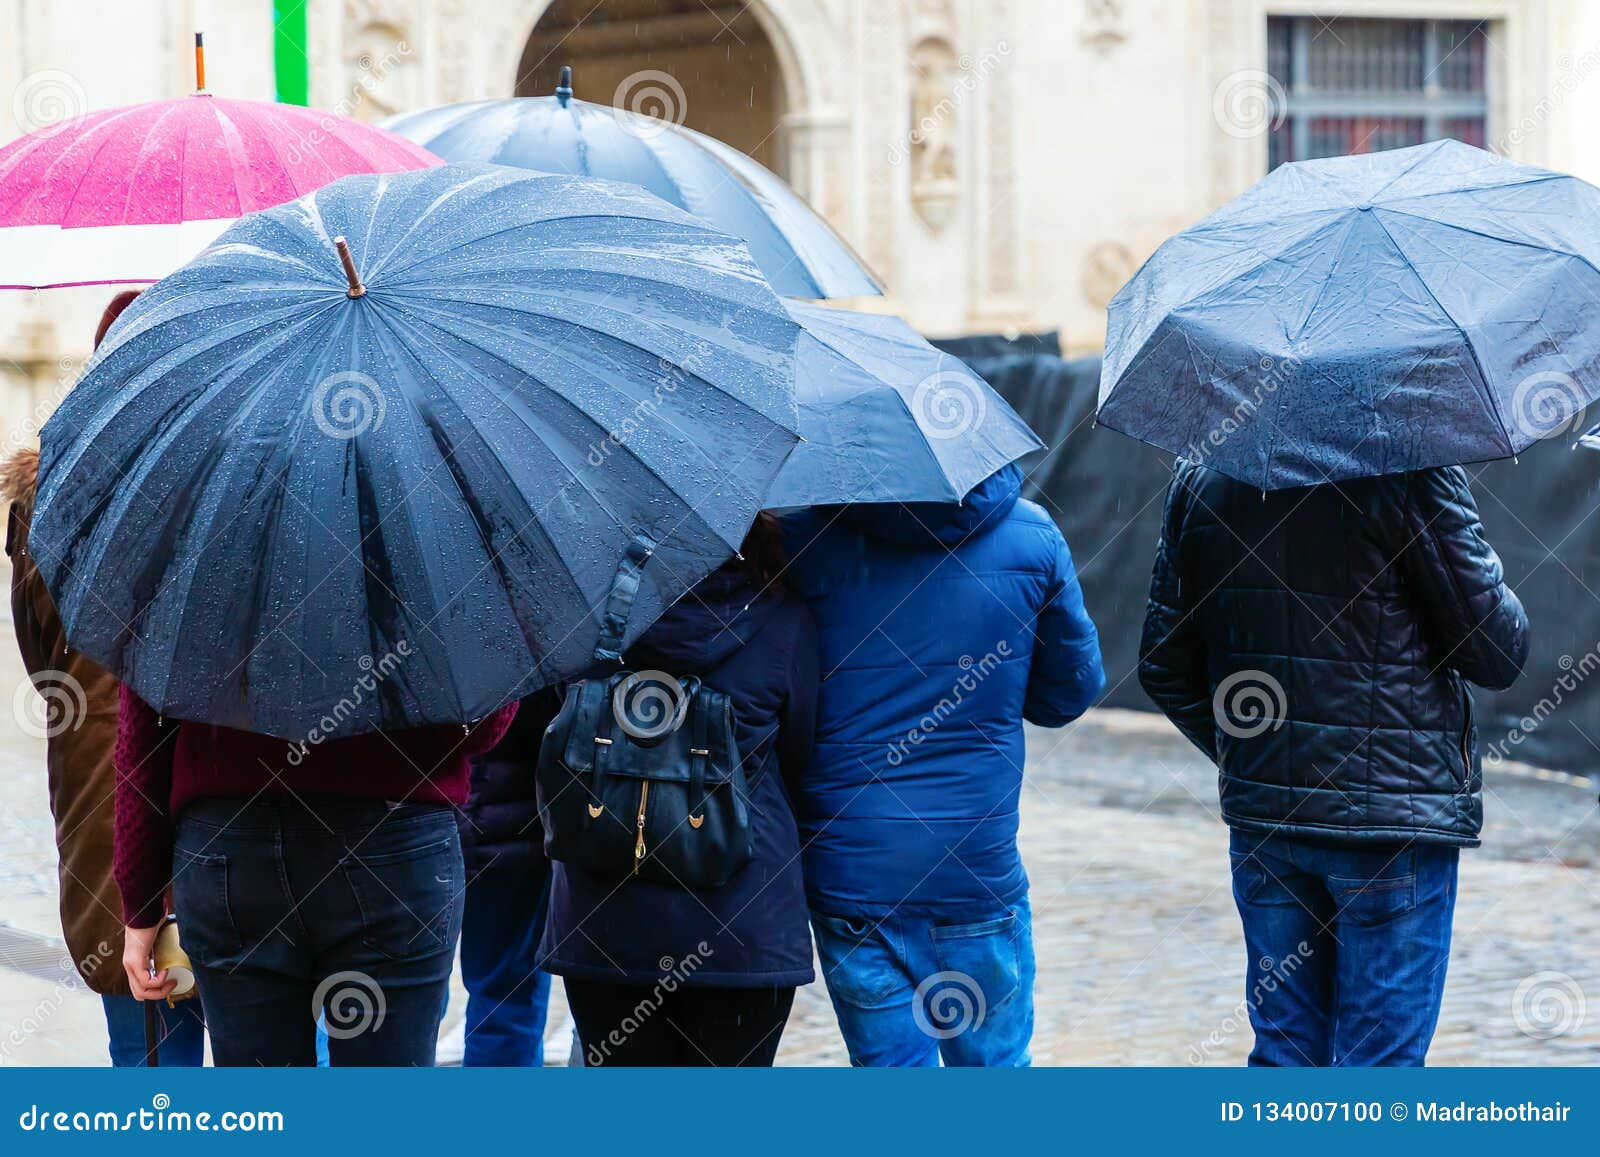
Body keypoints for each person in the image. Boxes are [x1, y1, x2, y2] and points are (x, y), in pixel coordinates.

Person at [1139, 460, 1529, 1067]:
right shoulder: (1411, 468)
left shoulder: (1204, 475)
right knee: (1378, 1071)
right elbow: (1497, 651)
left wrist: (1253, 755)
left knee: (1285, 1056)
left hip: (1270, 825)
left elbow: (1165, 664)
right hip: (1390, 829)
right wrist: (1483, 565)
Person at [784, 463, 1105, 1067]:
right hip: (975, 871)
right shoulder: (1032, 536)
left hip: (851, 875)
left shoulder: (802, 541)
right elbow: (1070, 694)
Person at [3, 290, 205, 1067]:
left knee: (154, 1067)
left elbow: (46, 662)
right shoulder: (227, 485)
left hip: (105, 828)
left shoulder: (43, 503)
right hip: (232, 826)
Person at [537, 514, 819, 1066]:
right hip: (741, 919)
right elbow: (802, 754)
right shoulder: (786, 620)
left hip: (606, 918)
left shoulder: (587, 616)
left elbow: (559, 735)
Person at [116, 687, 517, 1067]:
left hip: (231, 842)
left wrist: (140, 901)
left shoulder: (192, 609)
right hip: (392, 840)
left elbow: (144, 733)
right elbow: (485, 725)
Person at [454, 689, 560, 1067]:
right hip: (515, 833)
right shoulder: (527, 635)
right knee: (507, 998)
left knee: (392, 1000)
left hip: (416, 825)